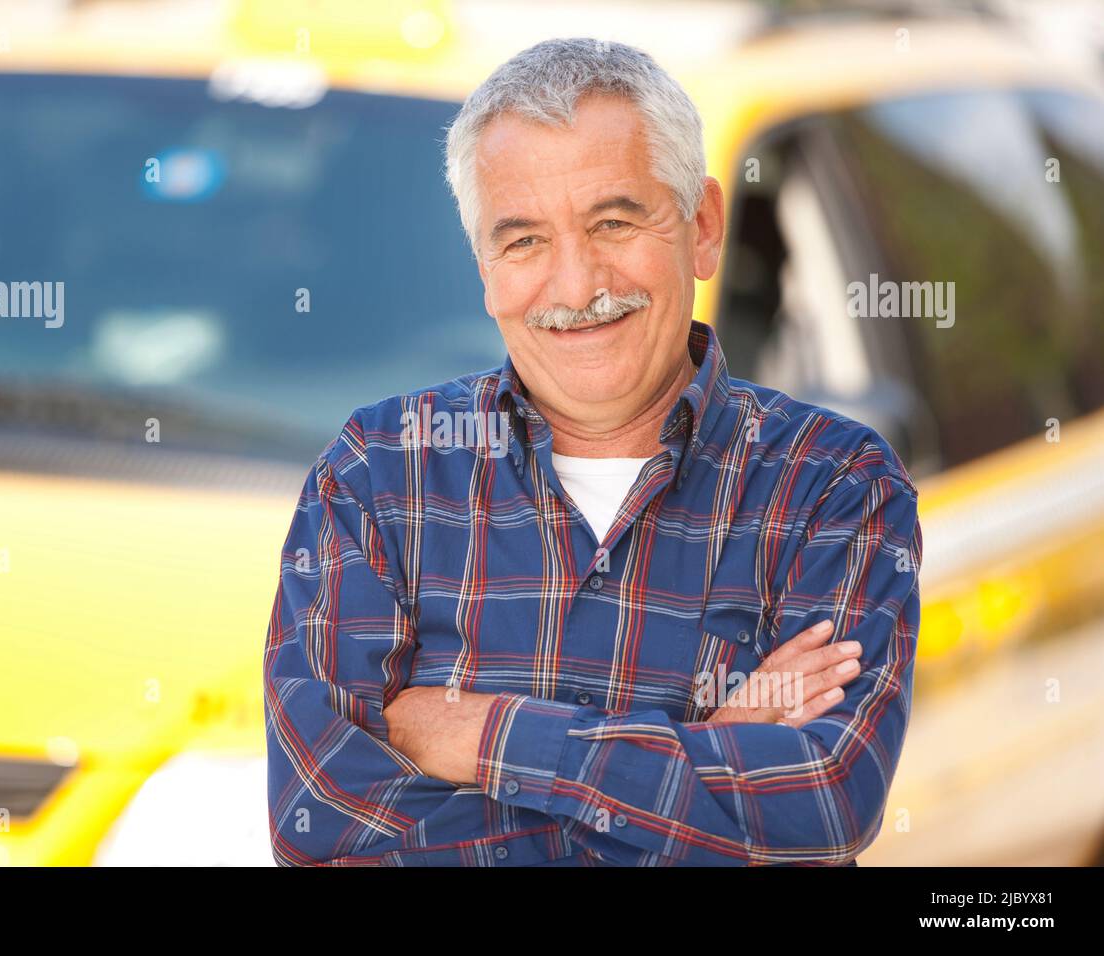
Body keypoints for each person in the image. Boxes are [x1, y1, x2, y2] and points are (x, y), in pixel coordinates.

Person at [264, 38, 922, 866]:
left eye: (614, 222)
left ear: (702, 227)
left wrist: (486, 735)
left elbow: (823, 803)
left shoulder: (833, 485)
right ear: (484, 265)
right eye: (524, 241)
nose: (577, 287)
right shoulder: (379, 474)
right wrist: (704, 751)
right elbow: (320, 827)